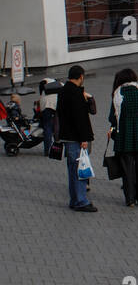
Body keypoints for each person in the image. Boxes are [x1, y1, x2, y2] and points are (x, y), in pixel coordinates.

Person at [109, 68, 138, 208]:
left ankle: (130, 199)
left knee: (127, 170)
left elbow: (112, 118)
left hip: (124, 136)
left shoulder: (117, 94)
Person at [55, 64, 97, 212]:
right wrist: (84, 139)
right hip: (75, 137)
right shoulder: (76, 93)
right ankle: (81, 201)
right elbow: (80, 119)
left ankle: (75, 199)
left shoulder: (63, 91)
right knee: (80, 170)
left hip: (66, 136)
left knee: (72, 170)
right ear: (81, 76)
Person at [36, 78, 60, 155]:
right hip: (56, 104)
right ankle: (57, 150)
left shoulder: (43, 82)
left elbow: (40, 95)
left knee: (47, 126)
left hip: (45, 105)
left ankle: (47, 150)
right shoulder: (59, 84)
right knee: (57, 126)